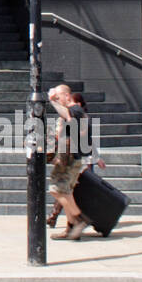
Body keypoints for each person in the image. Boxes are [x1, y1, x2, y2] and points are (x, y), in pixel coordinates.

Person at [46, 85, 99, 240]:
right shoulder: (73, 112)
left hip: (71, 157)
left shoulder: (75, 109)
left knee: (56, 189)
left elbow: (67, 114)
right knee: (66, 192)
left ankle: (79, 218)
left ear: (67, 96)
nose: (57, 100)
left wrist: (52, 101)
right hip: (70, 157)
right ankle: (71, 228)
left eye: (59, 96)